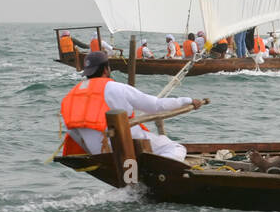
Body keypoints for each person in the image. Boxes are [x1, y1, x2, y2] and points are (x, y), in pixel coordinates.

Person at [59, 50, 201, 161]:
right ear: (106, 69)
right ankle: (157, 173)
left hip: (100, 153)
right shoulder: (115, 87)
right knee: (176, 148)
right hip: (125, 145)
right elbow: (156, 105)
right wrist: (187, 101)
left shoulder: (71, 95)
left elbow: (73, 131)